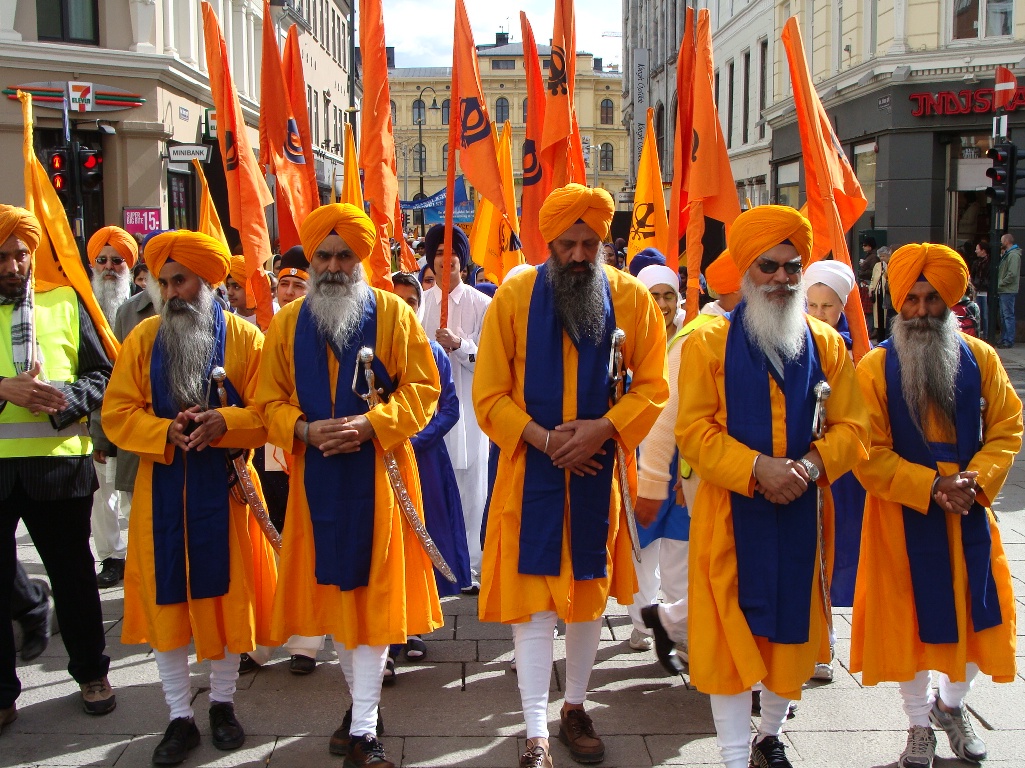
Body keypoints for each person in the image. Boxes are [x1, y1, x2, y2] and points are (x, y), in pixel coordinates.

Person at [473, 184, 669, 768]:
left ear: (604, 242)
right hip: (528, 472)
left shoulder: (631, 297)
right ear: (549, 243)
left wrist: (603, 430)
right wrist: (548, 439)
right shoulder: (514, 294)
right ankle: (535, 729)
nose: (580, 255)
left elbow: (654, 386)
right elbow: (489, 394)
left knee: (587, 592)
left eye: (590, 243)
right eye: (568, 244)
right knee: (533, 600)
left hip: (596, 472)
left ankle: (575, 707)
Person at [677, 206, 870, 768]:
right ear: (745, 270)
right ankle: (736, 754)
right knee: (730, 637)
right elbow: (694, 430)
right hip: (729, 518)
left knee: (793, 634)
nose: (784, 279)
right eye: (770, 266)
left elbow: (854, 428)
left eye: (793, 267)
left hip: (801, 516)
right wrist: (756, 468)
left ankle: (770, 734)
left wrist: (807, 469)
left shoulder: (827, 345)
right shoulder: (707, 343)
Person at [257, 203, 442, 765]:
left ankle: (363, 726)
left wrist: (369, 424)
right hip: (315, 481)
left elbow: (423, 391)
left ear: (361, 259)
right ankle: (362, 710)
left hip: (380, 477)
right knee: (338, 599)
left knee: (373, 601)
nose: (334, 266)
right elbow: (267, 400)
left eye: (344, 255)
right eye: (324, 256)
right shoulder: (286, 324)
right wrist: (305, 430)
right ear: (311, 260)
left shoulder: (393, 313)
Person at [101, 230, 278, 765]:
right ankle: (179, 716)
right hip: (162, 498)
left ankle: (223, 704)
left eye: (181, 281)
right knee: (169, 608)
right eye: (165, 282)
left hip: (227, 497)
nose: (172, 292)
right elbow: (117, 412)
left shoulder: (246, 341)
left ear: (209, 281)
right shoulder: (143, 339)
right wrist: (164, 432)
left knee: (225, 604)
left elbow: (272, 412)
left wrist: (225, 422)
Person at [851, 243, 1022, 768]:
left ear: (950, 303)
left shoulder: (982, 358)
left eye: (932, 300)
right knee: (907, 621)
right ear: (896, 304)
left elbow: (1008, 426)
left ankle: (951, 707)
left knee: (979, 615)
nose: (922, 311)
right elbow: (865, 449)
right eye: (912, 301)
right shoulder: (875, 367)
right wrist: (929, 487)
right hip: (902, 513)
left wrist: (976, 481)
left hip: (968, 509)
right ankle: (917, 726)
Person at [0, 206, 116, 727]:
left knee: (73, 582)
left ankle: (92, 672)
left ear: (33, 255)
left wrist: (65, 398)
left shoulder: (65, 301)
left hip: (58, 472)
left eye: (19, 254)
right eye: (2, 256)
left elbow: (102, 375)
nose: (11, 265)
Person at [640, 251, 744, 674]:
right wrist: (656, 480)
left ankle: (677, 627)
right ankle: (672, 626)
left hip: (741, 474)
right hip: (696, 472)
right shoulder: (700, 337)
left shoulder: (739, 330)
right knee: (708, 564)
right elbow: (670, 420)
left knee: (720, 567)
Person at [389, 271, 472, 675]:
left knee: (422, 542)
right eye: (396, 298)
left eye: (411, 300)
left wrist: (413, 440)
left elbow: (450, 409)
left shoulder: (433, 353)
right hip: (381, 464)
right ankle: (385, 635)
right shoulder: (374, 354)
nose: (403, 307)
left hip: (424, 464)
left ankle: (414, 627)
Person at [802, 259, 864, 684]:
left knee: (832, 550)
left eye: (829, 306)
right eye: (813, 303)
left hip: (837, 470)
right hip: (794, 464)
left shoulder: (856, 352)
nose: (820, 313)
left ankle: (825, 637)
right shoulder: (795, 341)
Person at [421, 224, 492, 590]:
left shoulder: (483, 304)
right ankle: (437, 562)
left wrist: (460, 345)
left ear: (461, 266)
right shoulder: (423, 303)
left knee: (472, 489)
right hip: (434, 413)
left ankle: (470, 566)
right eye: (438, 260)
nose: (444, 268)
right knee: (436, 486)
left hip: (471, 408)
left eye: (451, 262)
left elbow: (490, 360)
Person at [626, 264, 688, 657]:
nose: (662, 304)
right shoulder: (626, 341)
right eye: (654, 296)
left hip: (680, 462)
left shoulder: (693, 339)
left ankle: (682, 631)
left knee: (681, 550)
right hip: (637, 460)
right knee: (641, 550)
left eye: (668, 295)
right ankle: (640, 622)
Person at [85, 226, 139, 588]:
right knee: (98, 495)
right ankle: (110, 557)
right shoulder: (79, 305)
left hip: (134, 418)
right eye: (101, 260)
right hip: (92, 416)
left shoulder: (142, 307)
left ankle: (139, 558)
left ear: (130, 266)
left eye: (117, 260)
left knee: (134, 496)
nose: (108, 267)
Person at [997, 233, 1020, 348]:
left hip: (1008, 289)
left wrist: (1001, 283)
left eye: (1002, 241)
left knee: (1008, 315)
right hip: (1004, 289)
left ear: (1006, 242)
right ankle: (1004, 338)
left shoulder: (1013, 255)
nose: (1001, 243)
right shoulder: (1008, 254)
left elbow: (1012, 273)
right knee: (1003, 316)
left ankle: (1008, 340)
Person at [869, 246, 893, 341]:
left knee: (885, 315)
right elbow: (873, 278)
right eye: (880, 256)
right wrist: (871, 289)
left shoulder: (891, 265)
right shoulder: (877, 265)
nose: (882, 258)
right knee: (878, 316)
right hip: (877, 292)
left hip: (886, 292)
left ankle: (885, 336)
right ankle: (879, 336)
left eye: (884, 256)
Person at [970, 241, 990, 337]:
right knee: (977, 314)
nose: (975, 251)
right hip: (978, 291)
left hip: (986, 291)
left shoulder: (990, 263)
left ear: (983, 250)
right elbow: (973, 275)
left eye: (977, 249)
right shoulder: (976, 263)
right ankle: (979, 334)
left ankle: (986, 335)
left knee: (985, 315)